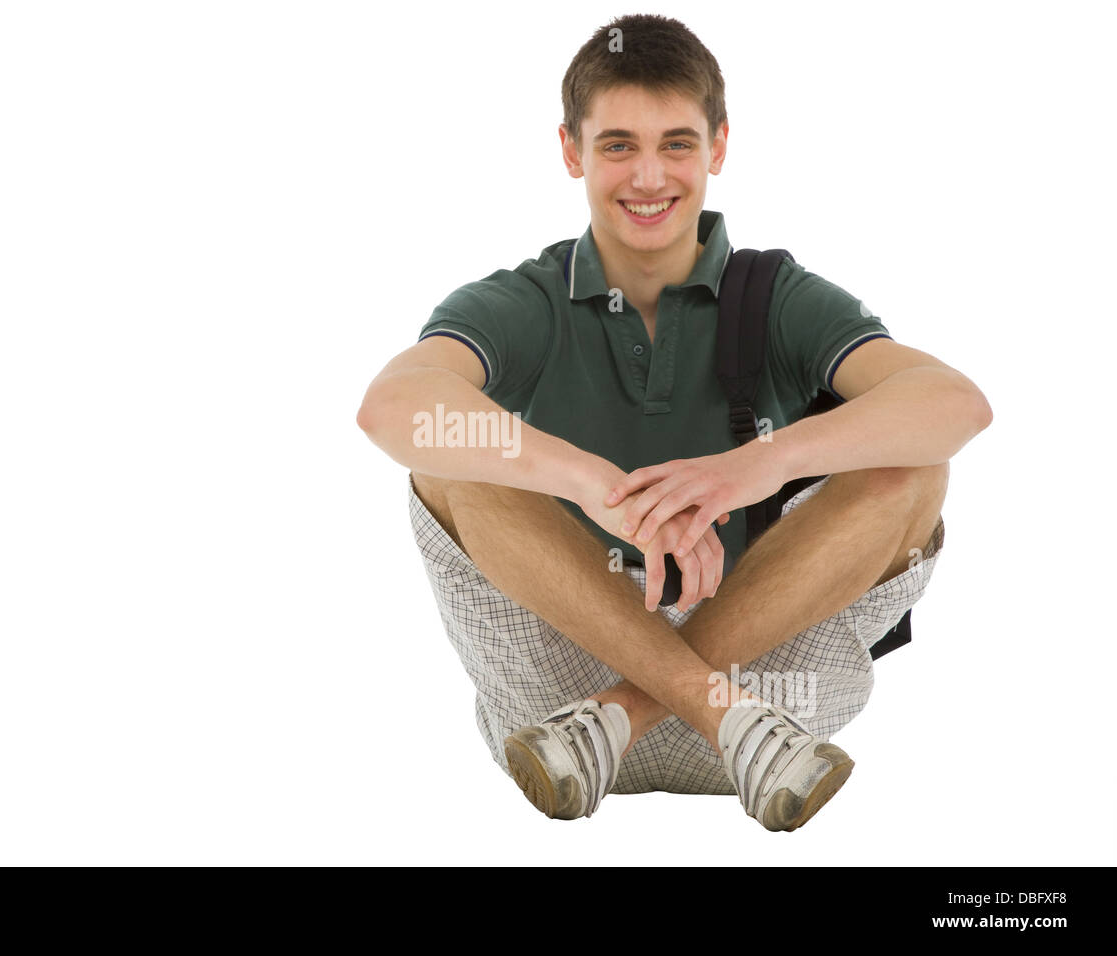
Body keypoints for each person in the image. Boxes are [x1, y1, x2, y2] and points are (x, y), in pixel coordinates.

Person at [356, 13, 991, 831]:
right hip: (557, 700)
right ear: (570, 151)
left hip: (767, 703)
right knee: (450, 453)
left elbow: (955, 405)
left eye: (678, 144)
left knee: (915, 463)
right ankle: (676, 703)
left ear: (719, 148)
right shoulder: (523, 301)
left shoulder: (780, 297)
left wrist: (755, 465)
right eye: (618, 144)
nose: (649, 176)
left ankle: (635, 709)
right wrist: (591, 484)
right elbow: (392, 407)